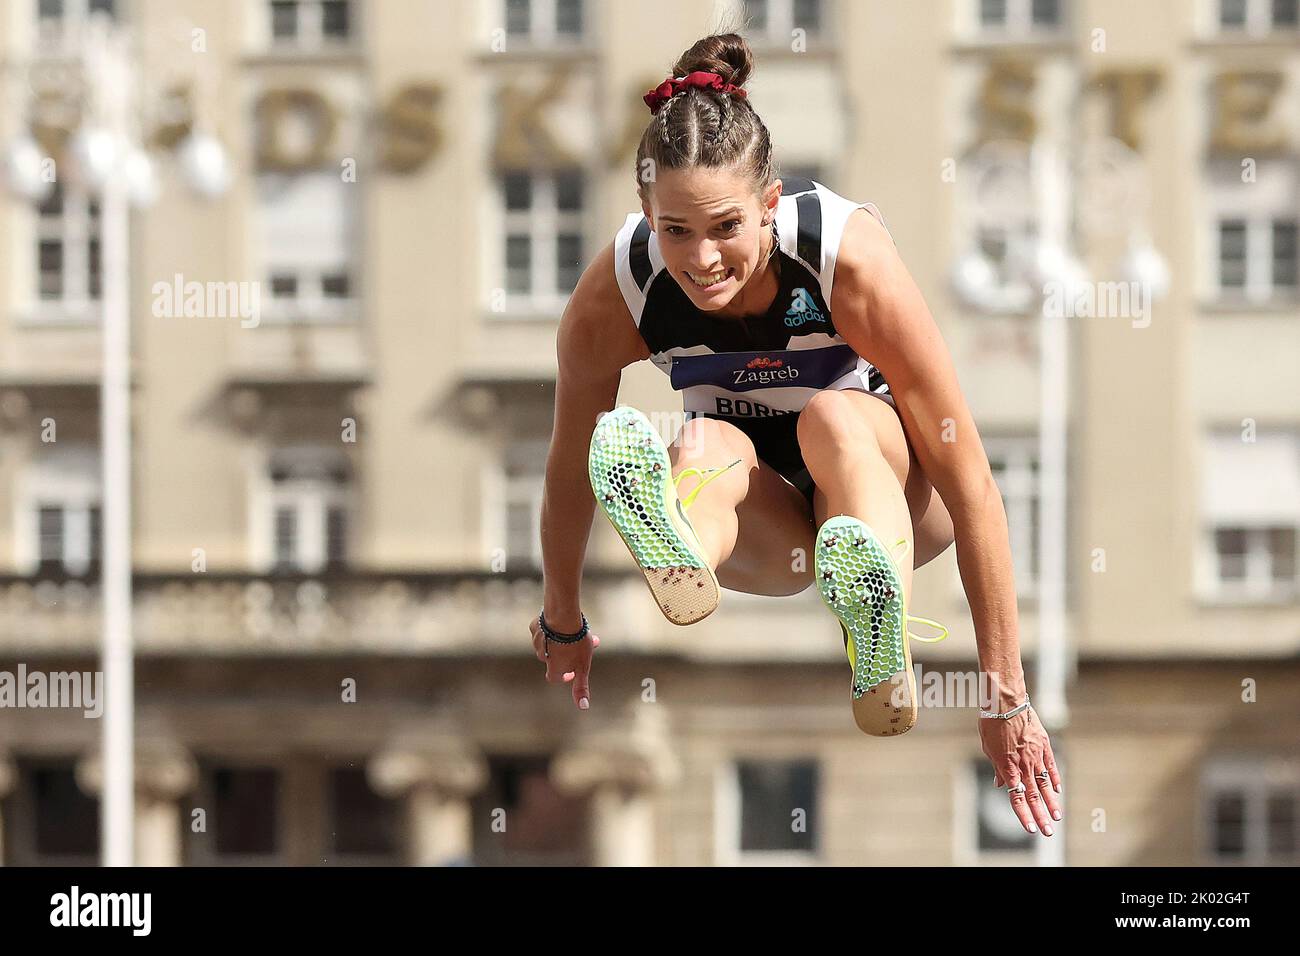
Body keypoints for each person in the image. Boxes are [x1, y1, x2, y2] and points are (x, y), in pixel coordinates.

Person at [531, 32, 1062, 837]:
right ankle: (679, 546)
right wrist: (562, 618)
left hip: (894, 493)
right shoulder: (618, 292)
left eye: (725, 228)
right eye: (674, 230)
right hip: (779, 531)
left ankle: (877, 619)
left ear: (771, 204)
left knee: (832, 416)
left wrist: (1004, 690)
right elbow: (571, 469)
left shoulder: (847, 259)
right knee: (701, 447)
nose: (701, 259)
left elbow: (972, 482)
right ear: (645, 215)